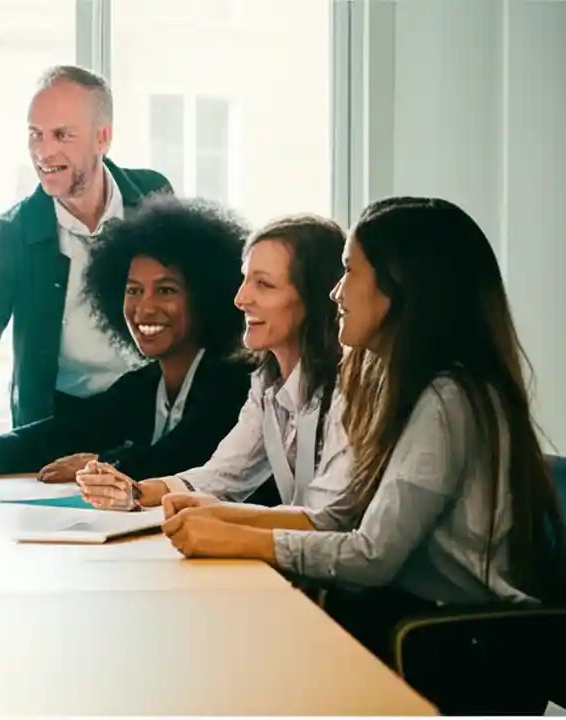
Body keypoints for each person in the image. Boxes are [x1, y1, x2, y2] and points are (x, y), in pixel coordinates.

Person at [154, 196, 566, 658]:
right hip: (411, 618)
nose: (336, 292)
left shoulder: (448, 399)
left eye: (349, 271)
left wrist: (243, 539)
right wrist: (221, 515)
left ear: (398, 287)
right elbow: (336, 519)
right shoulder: (394, 383)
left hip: (459, 640)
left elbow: (371, 558)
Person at [0, 196, 252, 486]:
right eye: (133, 290)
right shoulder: (145, 385)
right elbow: (61, 435)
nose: (144, 307)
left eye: (166, 290)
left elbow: (185, 455)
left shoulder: (234, 382)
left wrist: (104, 464)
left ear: (207, 296)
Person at [0, 65, 172, 440]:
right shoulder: (12, 233)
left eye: (62, 135)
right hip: (57, 426)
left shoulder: (154, 196)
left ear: (102, 137)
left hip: (152, 416)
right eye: (35, 134)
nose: (43, 151)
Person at [78, 214, 349, 512]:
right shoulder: (266, 383)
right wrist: (133, 491)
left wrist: (222, 523)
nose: (240, 299)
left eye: (264, 284)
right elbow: (222, 476)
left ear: (318, 296)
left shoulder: (348, 391)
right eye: (245, 279)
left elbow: (327, 519)